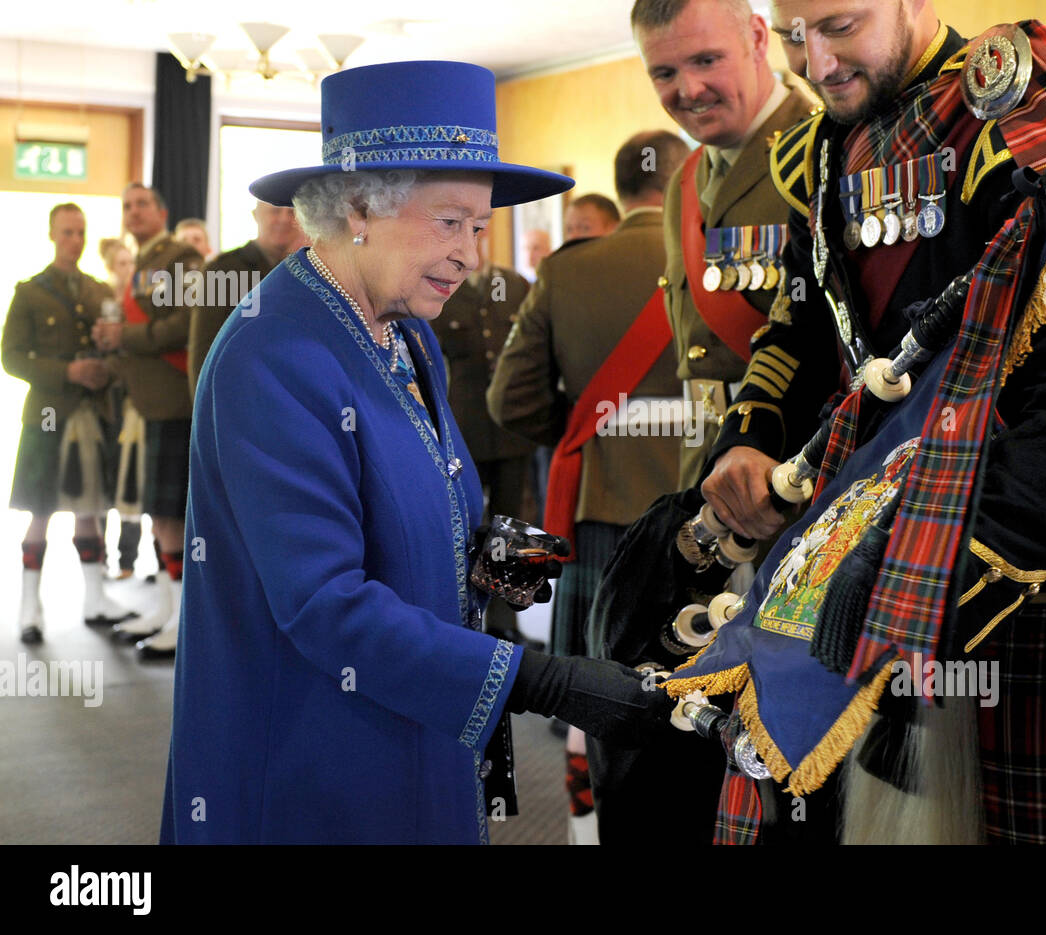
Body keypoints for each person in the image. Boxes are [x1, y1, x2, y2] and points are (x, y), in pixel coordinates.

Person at [653, 0, 1046, 844]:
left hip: (1020, 579)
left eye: (838, 26)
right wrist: (751, 435)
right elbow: (802, 322)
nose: (817, 64)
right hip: (860, 569)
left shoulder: (1037, 101)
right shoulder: (816, 150)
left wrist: (940, 573)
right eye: (794, 35)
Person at [160, 60, 673, 845]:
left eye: (479, 226)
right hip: (313, 759)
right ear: (361, 205)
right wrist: (543, 678)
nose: (472, 254)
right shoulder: (271, 355)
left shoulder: (407, 332)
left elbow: (432, 499)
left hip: (411, 726)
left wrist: (488, 550)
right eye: (451, 222)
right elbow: (324, 604)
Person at [488, 130, 696, 843]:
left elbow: (510, 402)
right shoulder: (719, 256)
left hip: (602, 518)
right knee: (708, 693)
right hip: (714, 517)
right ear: (685, 179)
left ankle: (589, 831)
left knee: (595, 693)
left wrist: (588, 429)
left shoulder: (568, 270)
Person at [633, 0, 815, 489]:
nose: (688, 90)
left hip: (796, 471)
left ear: (758, 38)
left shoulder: (823, 146)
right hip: (709, 471)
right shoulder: (684, 183)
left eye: (706, 60)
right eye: (664, 72)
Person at [2, 204, 137, 642]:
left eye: (80, 233)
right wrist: (66, 372)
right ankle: (29, 608)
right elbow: (11, 356)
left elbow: (119, 349)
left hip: (91, 414)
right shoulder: (29, 292)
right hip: (46, 416)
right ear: (51, 234)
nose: (74, 240)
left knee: (91, 507)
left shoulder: (100, 291)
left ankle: (95, 599)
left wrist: (104, 370)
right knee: (38, 509)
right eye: (66, 233)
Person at [93, 184, 203, 655]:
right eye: (126, 206)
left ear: (162, 211)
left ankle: (183, 620)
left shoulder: (179, 257)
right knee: (158, 516)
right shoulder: (142, 262)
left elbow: (188, 322)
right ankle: (165, 607)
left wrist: (128, 334)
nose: (133, 212)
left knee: (172, 514)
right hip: (147, 401)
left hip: (174, 400)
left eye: (142, 204)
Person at [429, 231, 536, 645]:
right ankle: (466, 619)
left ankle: (509, 623)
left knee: (514, 528)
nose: (478, 243)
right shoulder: (444, 286)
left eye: (481, 233)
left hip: (511, 430)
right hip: (463, 429)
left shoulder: (515, 286)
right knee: (467, 525)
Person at [187, 200, 305, 400]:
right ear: (255, 215)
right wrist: (205, 408)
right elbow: (203, 349)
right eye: (275, 211)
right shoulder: (224, 270)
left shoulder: (306, 271)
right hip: (238, 397)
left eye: (292, 212)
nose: (284, 219)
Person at [97, 237, 144, 581]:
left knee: (132, 481)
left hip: (135, 401)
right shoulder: (101, 304)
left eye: (130, 263)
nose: (126, 269)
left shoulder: (142, 303)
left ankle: (128, 560)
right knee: (103, 479)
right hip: (105, 401)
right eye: (120, 264)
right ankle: (98, 554)